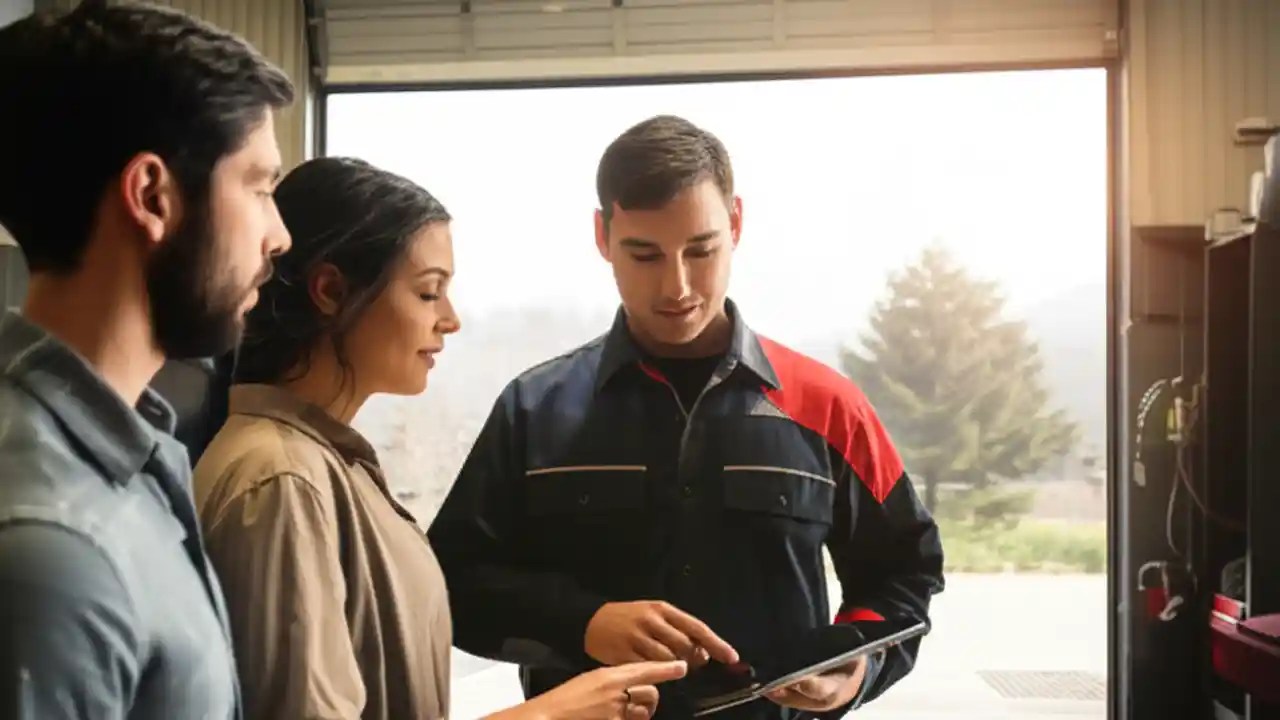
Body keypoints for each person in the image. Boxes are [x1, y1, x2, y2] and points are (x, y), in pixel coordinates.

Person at [428, 115, 946, 719]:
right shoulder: (533, 410)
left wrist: (856, 667)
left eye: (701, 250)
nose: (676, 287)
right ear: (602, 236)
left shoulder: (830, 406)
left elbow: (905, 572)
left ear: (737, 224)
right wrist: (583, 623)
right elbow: (449, 586)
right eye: (644, 254)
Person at [193, 156, 687, 720]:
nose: (450, 319)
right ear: (330, 290)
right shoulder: (281, 481)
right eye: (429, 293)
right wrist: (550, 714)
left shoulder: (326, 464)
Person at [0, 1, 293, 717]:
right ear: (152, 196)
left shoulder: (134, 457)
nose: (278, 235)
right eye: (259, 188)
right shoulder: (57, 550)